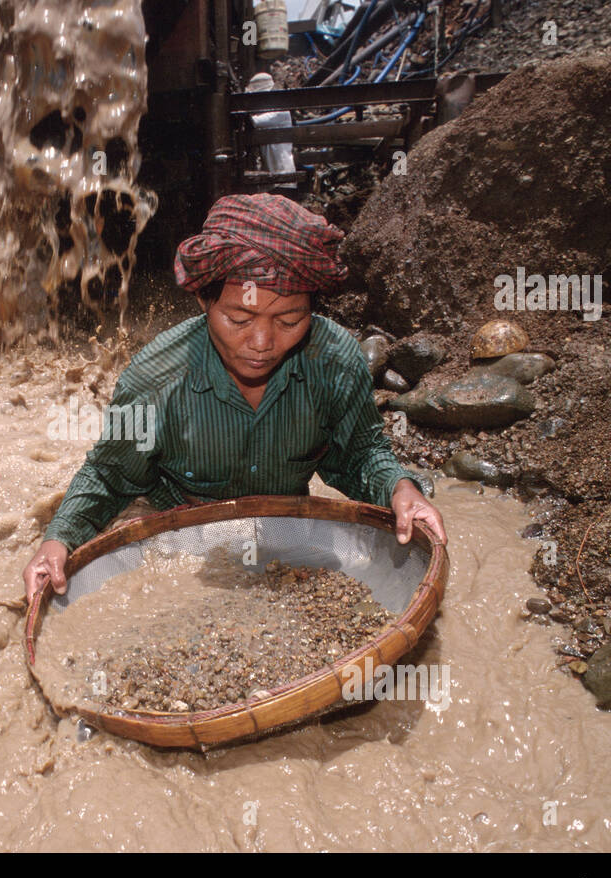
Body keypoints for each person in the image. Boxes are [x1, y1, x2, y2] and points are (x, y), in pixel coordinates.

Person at [22, 193, 447, 599]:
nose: (261, 342)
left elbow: (360, 454)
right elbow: (109, 477)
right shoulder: (154, 381)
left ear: (312, 311)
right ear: (205, 300)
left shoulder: (334, 361)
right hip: (180, 539)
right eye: (239, 318)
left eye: (288, 319)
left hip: (286, 525)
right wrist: (57, 541)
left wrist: (400, 488)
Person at [244, 72, 298, 195]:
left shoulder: (279, 110)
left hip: (283, 175)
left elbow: (253, 122)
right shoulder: (268, 111)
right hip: (271, 178)